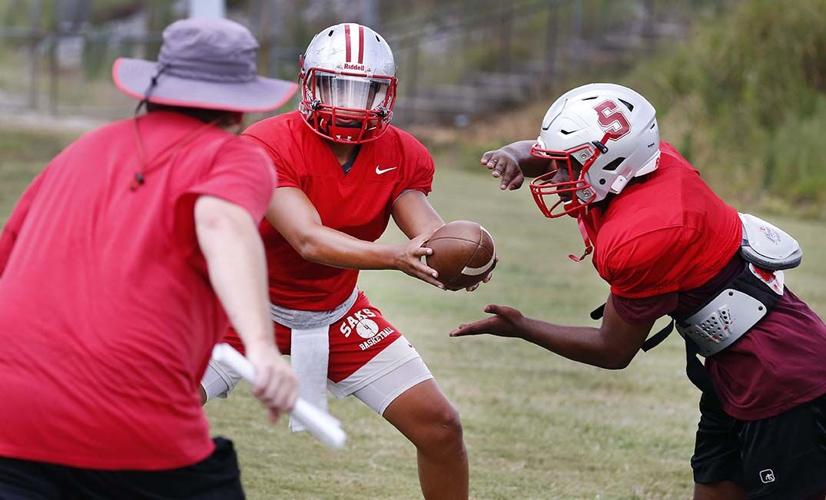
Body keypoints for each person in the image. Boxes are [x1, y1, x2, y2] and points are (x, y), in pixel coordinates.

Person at [452, 83, 826, 499]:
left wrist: (522, 327)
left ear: (608, 165)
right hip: (735, 369)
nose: (553, 176)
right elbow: (580, 157)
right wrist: (514, 153)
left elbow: (612, 350)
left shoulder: (642, 235)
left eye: (564, 167)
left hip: (779, 377)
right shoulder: (652, 160)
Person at [0, 18, 299, 498]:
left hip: (10, 415)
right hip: (130, 412)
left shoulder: (79, 151)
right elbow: (220, 223)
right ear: (242, 105)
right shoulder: (233, 156)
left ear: (156, 88)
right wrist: (262, 348)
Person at [201, 23, 493, 500]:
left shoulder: (402, 152)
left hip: (334, 311)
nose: (350, 104)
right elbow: (308, 239)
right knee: (155, 409)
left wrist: (457, 255)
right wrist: (396, 256)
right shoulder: (265, 143)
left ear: (386, 94)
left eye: (365, 91)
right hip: (240, 305)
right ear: (309, 83)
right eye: (337, 87)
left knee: (440, 426)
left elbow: (427, 232)